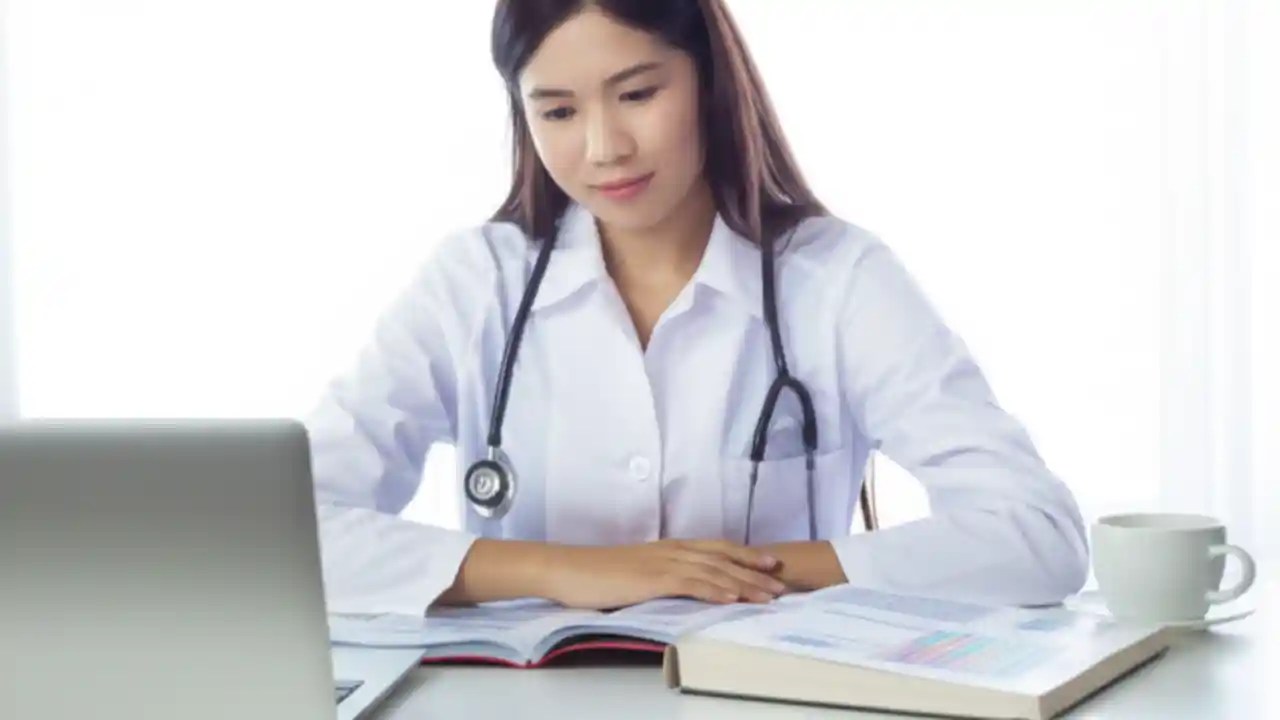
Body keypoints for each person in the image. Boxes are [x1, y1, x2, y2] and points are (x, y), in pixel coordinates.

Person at [304, 0, 1088, 617]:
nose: (605, 147)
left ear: (709, 79)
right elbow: (289, 534)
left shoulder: (838, 279)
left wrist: (724, 575)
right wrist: (578, 572)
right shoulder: (475, 282)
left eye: (638, 94)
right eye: (558, 112)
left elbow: (1036, 537)